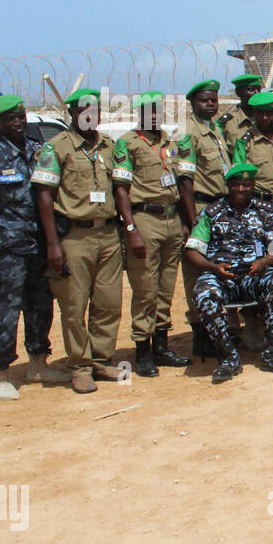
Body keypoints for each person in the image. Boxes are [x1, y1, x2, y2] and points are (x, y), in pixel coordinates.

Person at [0, 94, 63, 399]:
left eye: (21, 117)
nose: (17, 123)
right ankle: (1, 373)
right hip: (7, 248)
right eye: (10, 119)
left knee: (40, 305)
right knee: (5, 310)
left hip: (38, 244)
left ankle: (38, 364)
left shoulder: (37, 148)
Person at [31, 88, 124, 393]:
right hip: (75, 235)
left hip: (109, 234)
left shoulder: (110, 146)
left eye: (94, 110)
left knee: (108, 303)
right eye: (83, 110)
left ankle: (100, 359)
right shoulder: (56, 148)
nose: (89, 116)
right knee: (74, 305)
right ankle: (79, 366)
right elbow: (44, 197)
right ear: (71, 113)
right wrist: (53, 245)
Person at [184, 163, 273, 382]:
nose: (242, 189)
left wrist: (263, 262)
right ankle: (229, 358)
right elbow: (192, 250)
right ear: (229, 185)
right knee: (203, 293)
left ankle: (272, 354)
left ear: (253, 185)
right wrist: (212, 267)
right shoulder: (212, 213)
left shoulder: (265, 212)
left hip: (254, 276)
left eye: (246, 185)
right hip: (221, 276)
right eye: (237, 184)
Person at [112, 90, 191, 376]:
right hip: (145, 219)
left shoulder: (169, 141)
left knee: (166, 288)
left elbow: (181, 183)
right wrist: (131, 227)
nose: (155, 116)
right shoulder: (128, 144)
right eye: (149, 111)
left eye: (158, 110)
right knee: (145, 289)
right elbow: (121, 189)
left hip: (171, 218)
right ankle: (142, 352)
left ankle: (161, 346)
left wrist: (183, 219)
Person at [176, 79, 235, 344]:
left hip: (221, 206)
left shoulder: (215, 128)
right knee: (198, 272)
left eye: (214, 99)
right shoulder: (189, 132)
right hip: (201, 207)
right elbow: (185, 183)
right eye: (205, 100)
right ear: (193, 103)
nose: (211, 104)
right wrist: (193, 221)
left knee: (220, 266)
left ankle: (222, 329)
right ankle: (201, 333)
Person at [231, 91, 273, 230]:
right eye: (261, 113)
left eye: (269, 113)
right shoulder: (245, 142)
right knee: (269, 246)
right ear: (254, 114)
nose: (265, 117)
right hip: (259, 206)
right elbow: (238, 180)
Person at [219, 72, 262, 148]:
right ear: (238, 93)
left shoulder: (266, 119)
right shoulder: (228, 122)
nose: (257, 93)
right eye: (251, 89)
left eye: (259, 90)